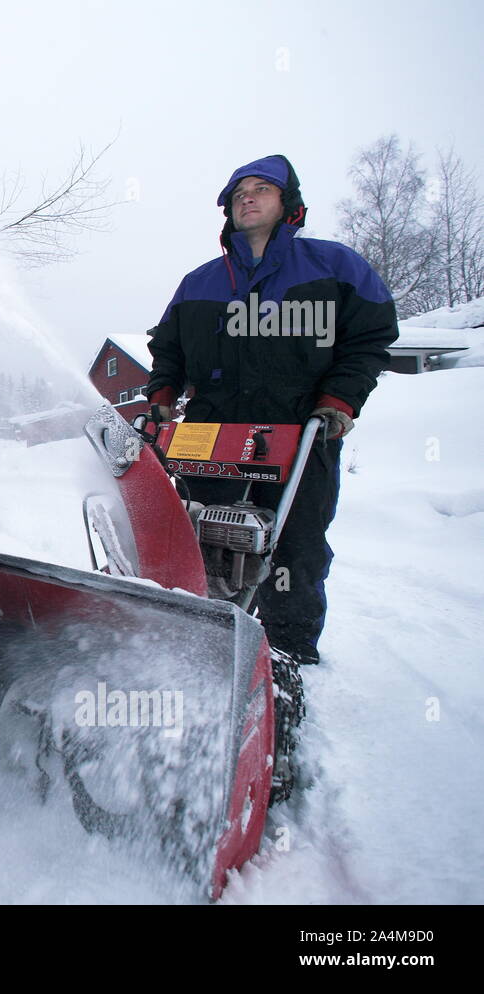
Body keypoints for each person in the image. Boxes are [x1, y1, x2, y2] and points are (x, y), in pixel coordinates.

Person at [143, 154, 397, 800]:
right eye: (239, 193)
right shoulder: (200, 283)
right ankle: (198, 644)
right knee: (198, 536)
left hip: (299, 432)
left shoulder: (333, 270)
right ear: (226, 209)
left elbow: (372, 336)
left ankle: (284, 666)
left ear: (288, 204)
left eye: (262, 190)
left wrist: (340, 398)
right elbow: (166, 349)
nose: (249, 200)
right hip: (214, 435)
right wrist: (164, 394)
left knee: (295, 549)